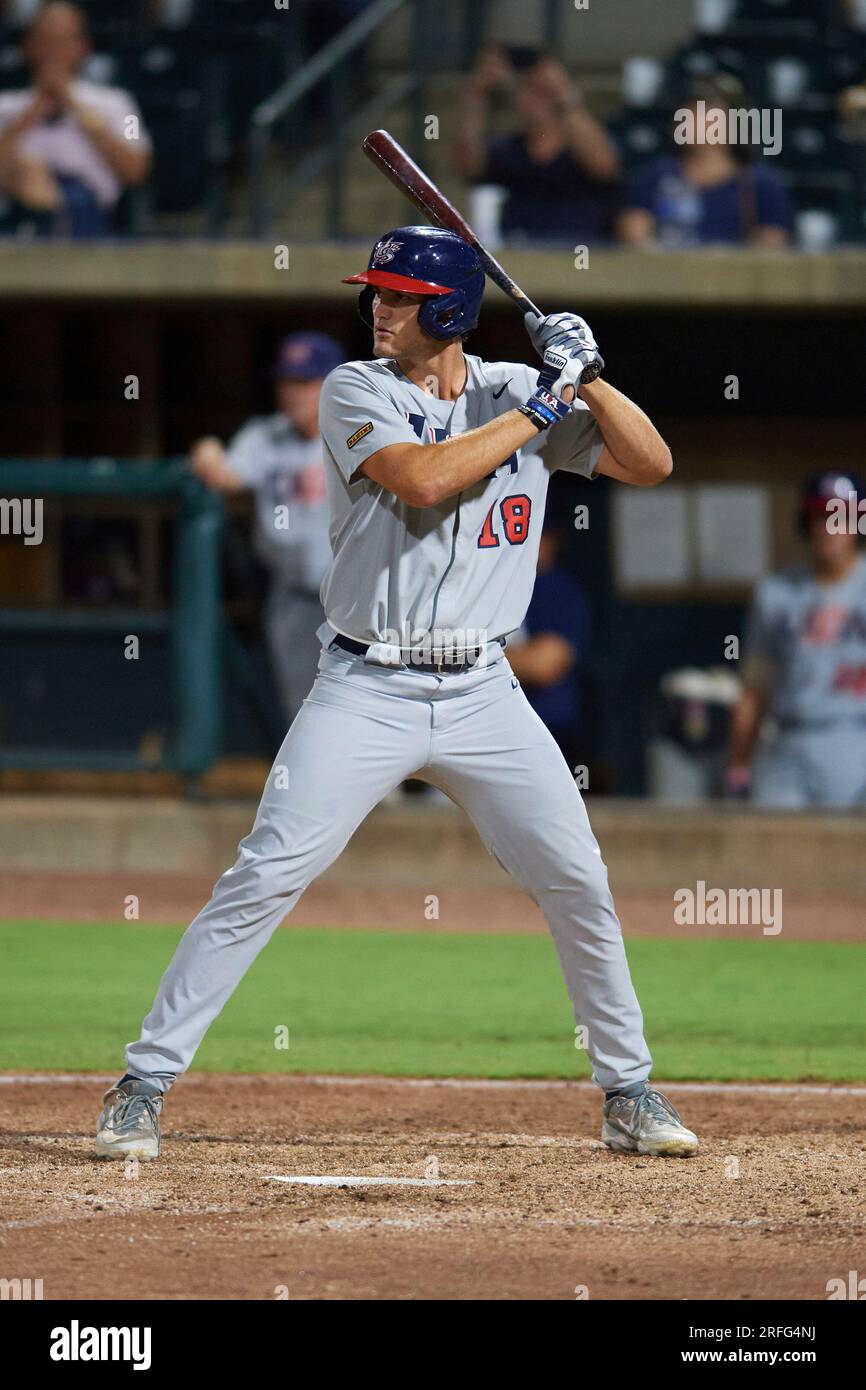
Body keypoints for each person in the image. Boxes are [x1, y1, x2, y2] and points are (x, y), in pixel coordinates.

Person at [95, 224, 698, 1163]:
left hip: (486, 690)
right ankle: (143, 1083)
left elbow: (651, 464)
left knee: (577, 877)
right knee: (264, 874)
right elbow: (423, 480)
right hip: (365, 685)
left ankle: (628, 1091)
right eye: (376, 292)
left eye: (401, 297)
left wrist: (589, 376)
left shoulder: (515, 387)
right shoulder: (356, 388)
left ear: (450, 310)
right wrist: (548, 401)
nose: (379, 308)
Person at [189, 332, 343, 728]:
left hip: (357, 597)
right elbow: (225, 475)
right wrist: (206, 450)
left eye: (303, 381)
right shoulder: (265, 436)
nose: (291, 392)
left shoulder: (360, 432)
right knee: (304, 711)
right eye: (286, 381)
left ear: (334, 383)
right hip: (293, 598)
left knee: (371, 707)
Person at [728, 471, 866, 808]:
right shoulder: (776, 593)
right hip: (787, 741)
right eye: (821, 517)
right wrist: (739, 763)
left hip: (855, 737)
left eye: (841, 517)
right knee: (771, 838)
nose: (830, 527)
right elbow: (755, 687)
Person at [0, 2, 151, 238]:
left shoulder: (120, 104)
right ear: (29, 45)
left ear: (83, 47)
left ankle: (56, 226)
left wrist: (75, 107)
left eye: (64, 41)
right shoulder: (6, 106)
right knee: (30, 171)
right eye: (46, 40)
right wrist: (29, 115)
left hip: (91, 213)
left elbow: (137, 167)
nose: (54, 51)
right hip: (18, 211)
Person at [455, 44, 621, 244]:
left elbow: (605, 167)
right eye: (526, 90)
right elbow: (469, 168)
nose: (536, 100)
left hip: (583, 250)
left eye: (542, 91)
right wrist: (476, 94)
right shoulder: (509, 148)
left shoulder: (584, 143)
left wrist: (563, 94)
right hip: (519, 249)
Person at [618, 76, 792, 248]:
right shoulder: (656, 175)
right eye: (690, 114)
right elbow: (634, 229)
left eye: (709, 115)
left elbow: (772, 240)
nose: (697, 123)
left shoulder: (759, 182)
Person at [506, 521, 591, 772]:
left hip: (546, 727)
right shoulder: (485, 585)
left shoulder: (560, 590)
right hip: (474, 725)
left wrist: (474, 658)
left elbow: (543, 665)